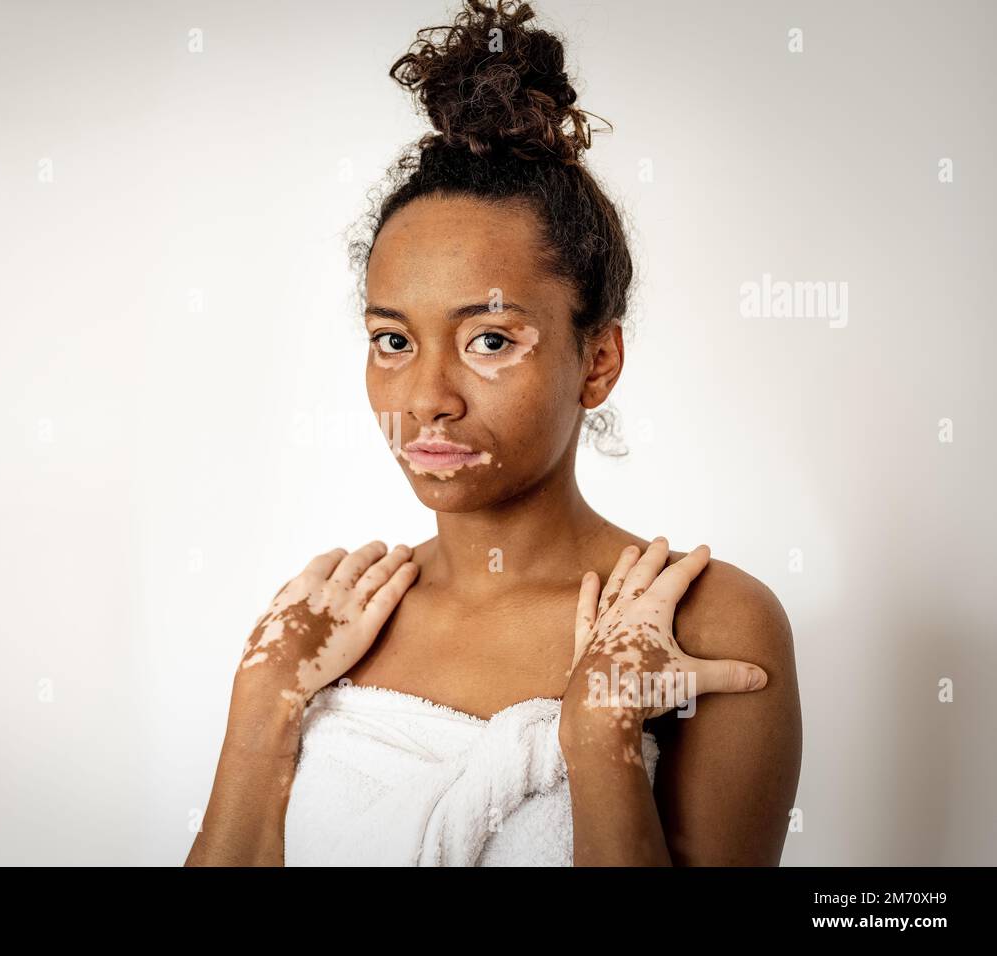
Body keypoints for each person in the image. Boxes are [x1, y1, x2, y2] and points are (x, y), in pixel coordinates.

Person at [185, 0, 801, 866]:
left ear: (597, 360)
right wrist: (261, 708)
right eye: (392, 341)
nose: (427, 397)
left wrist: (599, 742)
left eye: (490, 341)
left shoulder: (708, 623)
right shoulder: (328, 626)